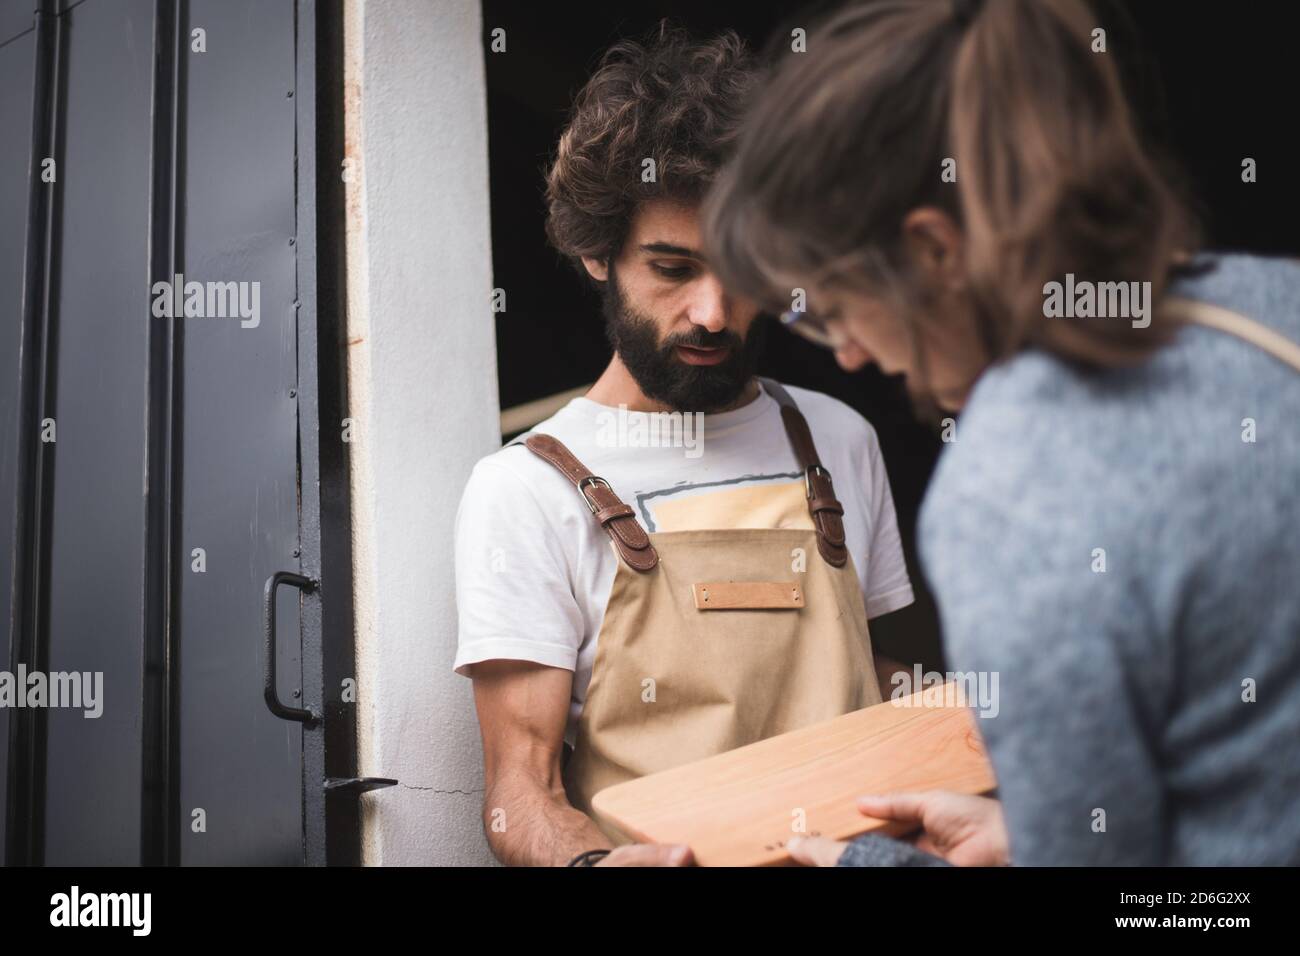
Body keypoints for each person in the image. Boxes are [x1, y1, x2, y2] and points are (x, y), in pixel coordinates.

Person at [702, 0, 1300, 866]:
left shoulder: (1013, 490)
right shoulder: (1271, 299)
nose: (856, 355)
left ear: (935, 251)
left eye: (836, 313)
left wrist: (874, 863)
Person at [453, 23, 921, 867]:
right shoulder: (524, 490)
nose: (712, 312)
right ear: (598, 255)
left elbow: (888, 685)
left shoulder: (839, 440)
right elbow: (519, 791)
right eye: (671, 269)